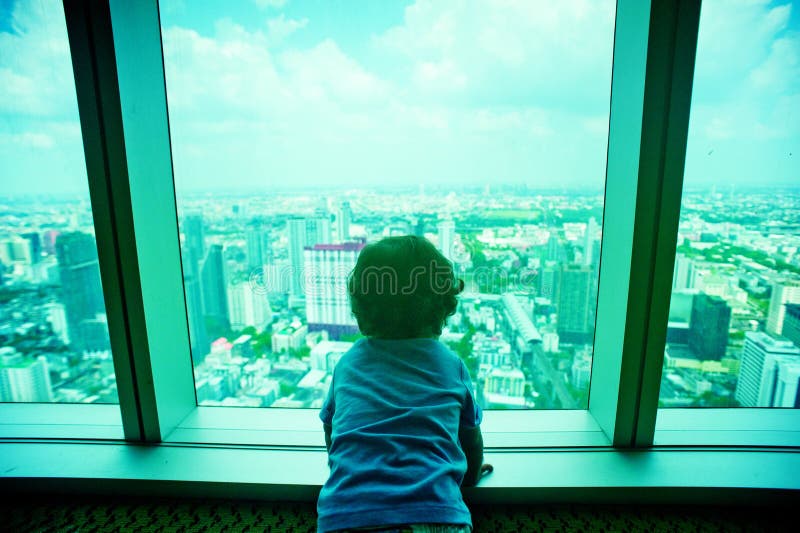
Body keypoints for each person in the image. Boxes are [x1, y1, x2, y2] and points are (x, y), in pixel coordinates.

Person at [317, 235, 492, 533]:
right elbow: (470, 439)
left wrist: (347, 468)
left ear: (361, 306)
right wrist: (472, 475)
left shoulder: (347, 364)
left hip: (346, 515)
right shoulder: (451, 365)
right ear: (441, 308)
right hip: (436, 514)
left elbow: (332, 429)